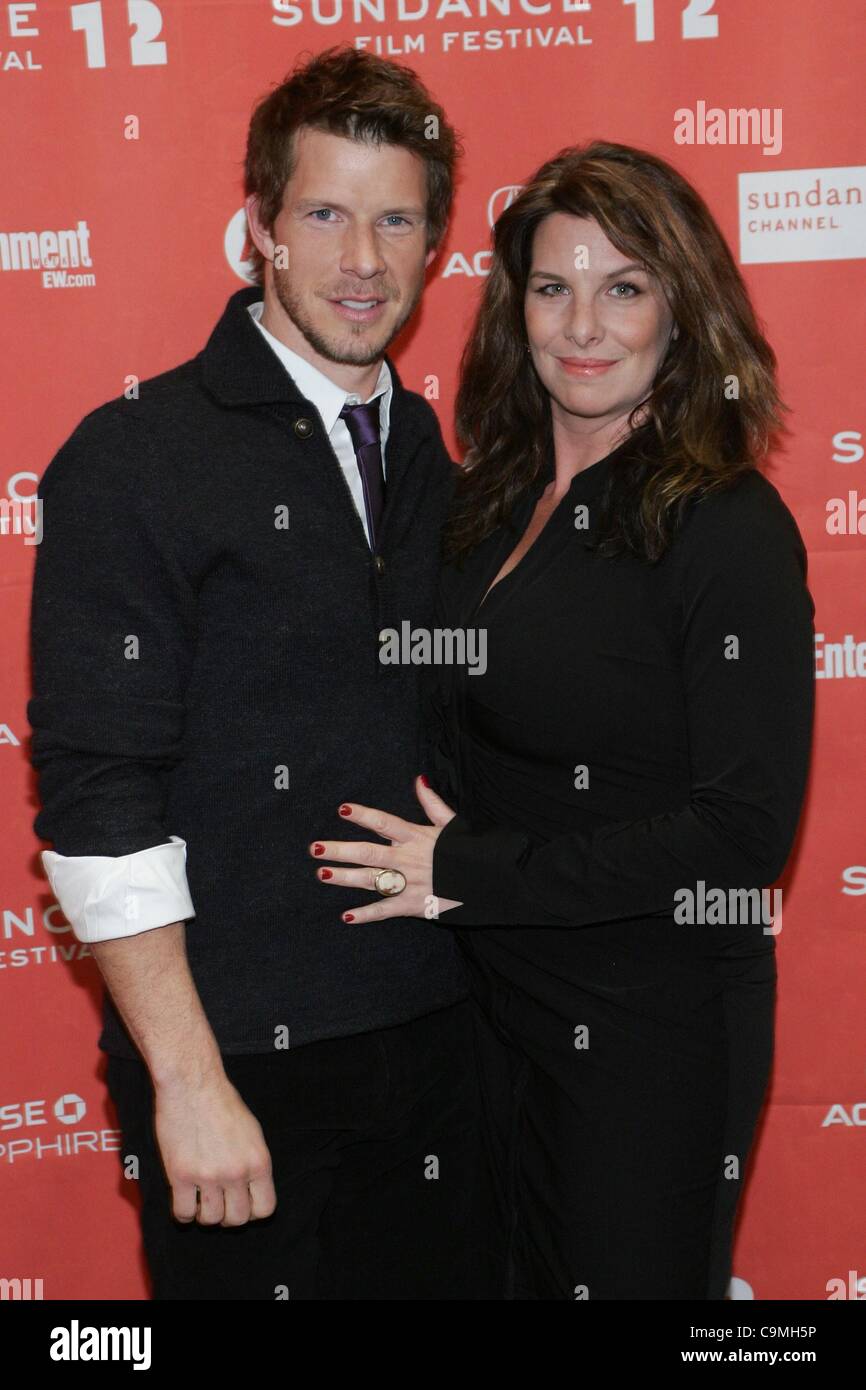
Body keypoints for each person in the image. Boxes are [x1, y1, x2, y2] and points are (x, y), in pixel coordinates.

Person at [309, 141, 816, 1299]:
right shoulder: (491, 497)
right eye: (551, 287)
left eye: (622, 287)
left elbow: (739, 831)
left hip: (648, 1037)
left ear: (680, 313)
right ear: (513, 306)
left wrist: (477, 870)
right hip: (492, 1016)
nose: (582, 324)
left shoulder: (724, 530)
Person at [28, 45, 491, 1300]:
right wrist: (185, 1080)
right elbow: (96, 790)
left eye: (396, 219)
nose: (361, 260)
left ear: (436, 244)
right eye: (325, 214)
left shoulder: (426, 453)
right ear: (260, 232)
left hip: (439, 1046)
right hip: (240, 1066)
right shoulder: (137, 458)